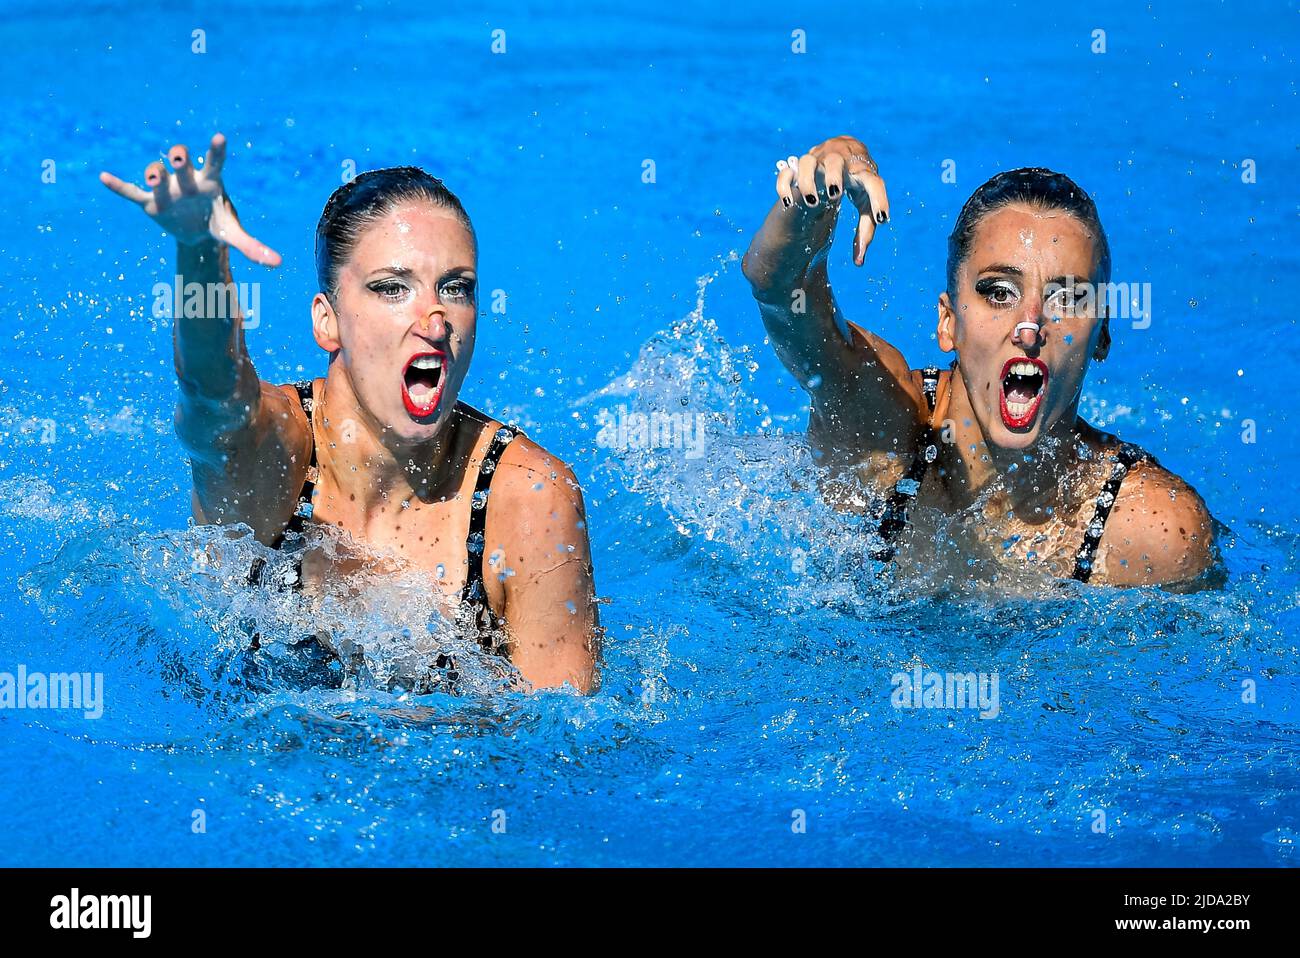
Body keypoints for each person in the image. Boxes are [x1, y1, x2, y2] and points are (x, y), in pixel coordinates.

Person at [100, 133, 600, 691]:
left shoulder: (528, 497)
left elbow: (566, 746)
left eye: (455, 289)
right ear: (327, 321)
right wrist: (198, 251)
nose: (435, 322)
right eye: (392, 288)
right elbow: (211, 394)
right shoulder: (275, 454)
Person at [741, 135, 1217, 588]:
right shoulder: (888, 432)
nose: (1030, 325)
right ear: (948, 323)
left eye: (1068, 298)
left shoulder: (1147, 530)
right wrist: (811, 211)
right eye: (998, 292)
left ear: (1102, 335)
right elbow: (780, 289)